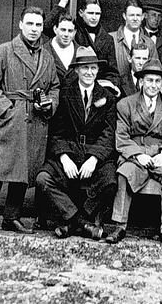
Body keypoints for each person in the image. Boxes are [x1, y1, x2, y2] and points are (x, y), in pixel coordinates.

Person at [0, 6, 60, 236]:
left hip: (35, 118)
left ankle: (11, 217)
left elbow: (55, 86)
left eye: (38, 25)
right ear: (20, 24)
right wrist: (6, 109)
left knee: (23, 171)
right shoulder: (4, 51)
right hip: (10, 118)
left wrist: (49, 103)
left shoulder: (47, 56)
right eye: (29, 24)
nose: (34, 29)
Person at [36, 47, 118, 240]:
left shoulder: (107, 97)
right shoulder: (65, 95)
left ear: (98, 71)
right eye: (85, 68)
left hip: (94, 155)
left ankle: (72, 222)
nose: (89, 72)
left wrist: (94, 159)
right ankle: (82, 223)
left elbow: (108, 134)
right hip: (70, 152)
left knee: (110, 182)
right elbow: (56, 131)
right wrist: (64, 158)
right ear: (76, 71)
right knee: (43, 179)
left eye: (93, 68)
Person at [104, 59, 162, 245]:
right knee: (124, 174)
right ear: (141, 81)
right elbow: (121, 135)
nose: (153, 85)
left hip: (160, 154)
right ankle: (120, 226)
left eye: (158, 81)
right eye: (149, 80)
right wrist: (137, 155)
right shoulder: (126, 104)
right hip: (135, 154)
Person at [44, 0, 120, 90]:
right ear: (81, 13)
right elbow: (47, 28)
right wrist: (63, 2)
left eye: (97, 14)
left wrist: (107, 86)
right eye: (90, 13)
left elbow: (112, 71)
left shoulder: (107, 39)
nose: (94, 17)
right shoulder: (74, 32)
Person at [111, 0, 159, 79]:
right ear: (124, 16)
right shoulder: (111, 39)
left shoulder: (149, 43)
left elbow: (154, 70)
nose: (135, 19)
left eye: (138, 15)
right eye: (131, 15)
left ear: (143, 17)